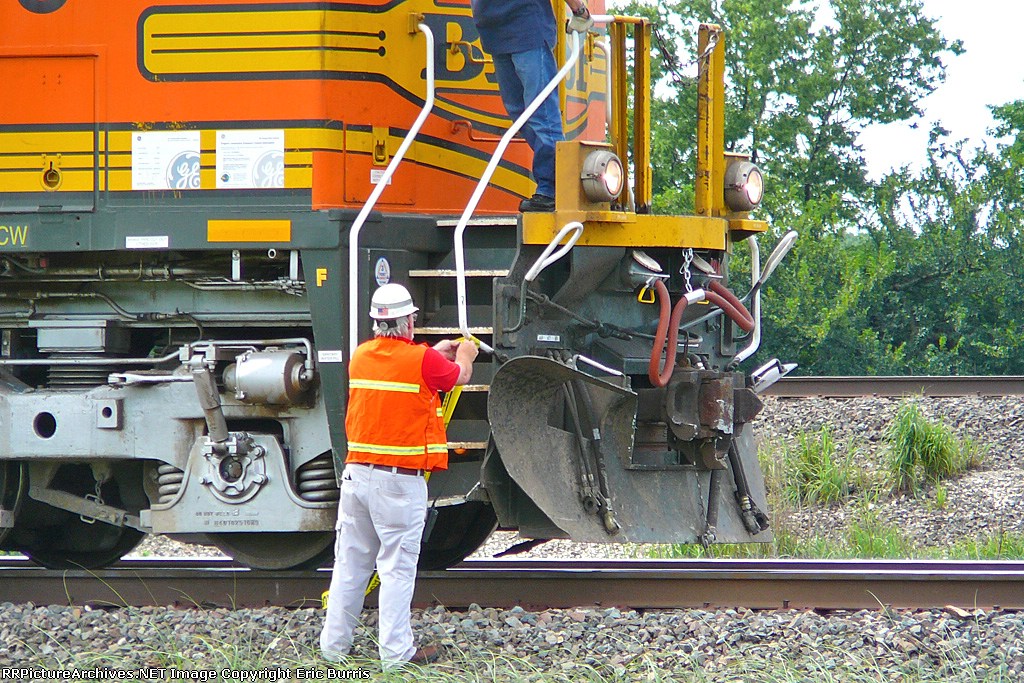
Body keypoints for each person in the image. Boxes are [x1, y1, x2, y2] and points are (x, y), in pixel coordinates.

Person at [320, 283, 478, 668]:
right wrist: (467, 353)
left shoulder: (361, 356)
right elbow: (457, 376)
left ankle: (332, 650)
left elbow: (409, 365)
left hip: (357, 478)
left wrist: (431, 352)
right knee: (396, 569)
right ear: (409, 321)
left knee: (351, 565)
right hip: (398, 482)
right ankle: (396, 656)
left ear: (377, 324)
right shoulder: (422, 361)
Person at [471, 0, 594, 212]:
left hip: (525, 27)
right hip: (495, 32)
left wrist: (579, 10)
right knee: (522, 113)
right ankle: (555, 180)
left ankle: (552, 187)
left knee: (541, 112)